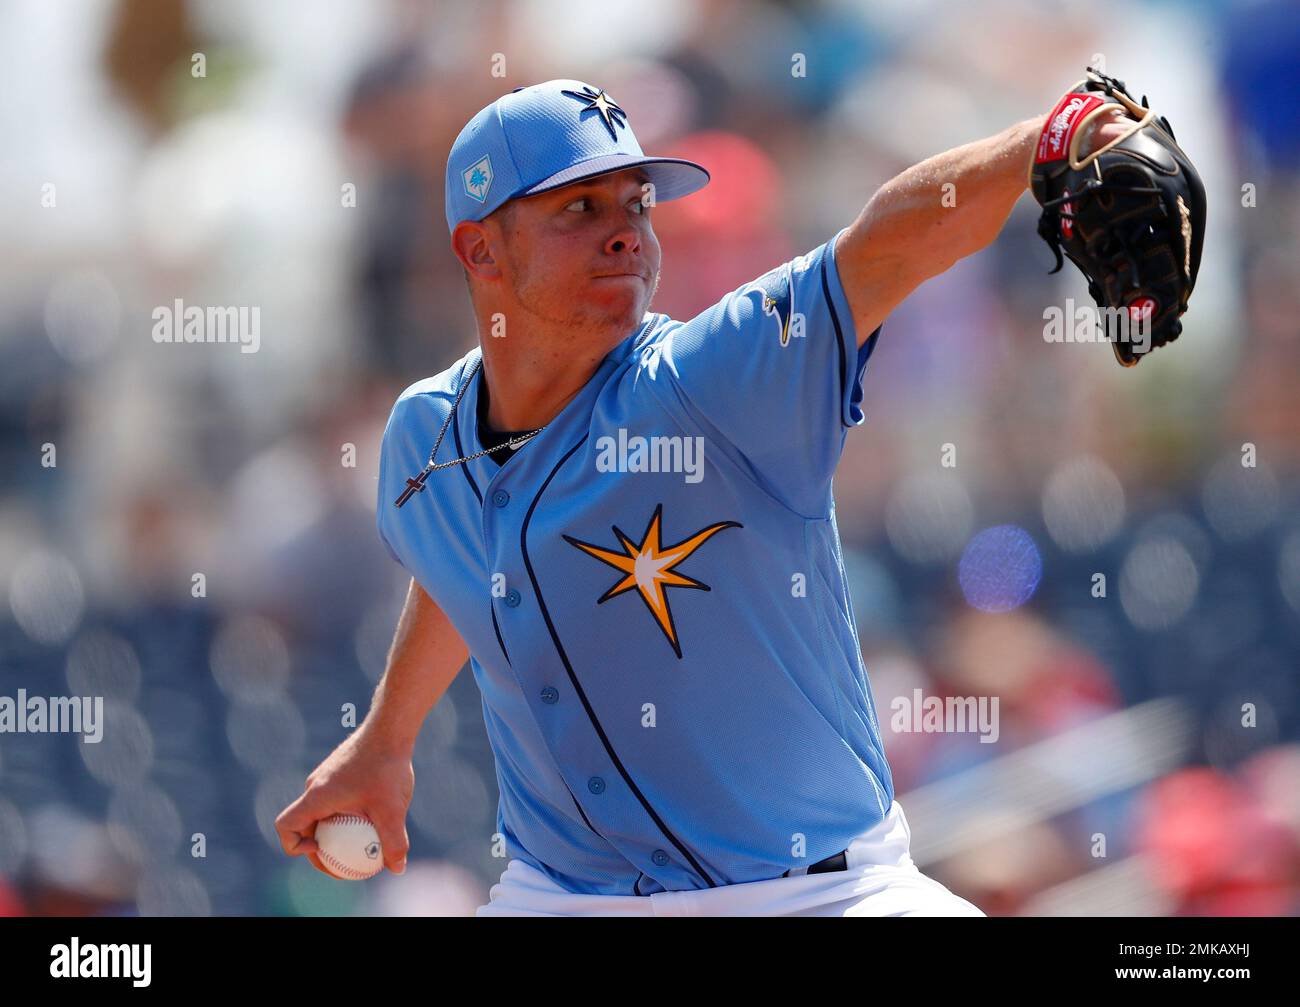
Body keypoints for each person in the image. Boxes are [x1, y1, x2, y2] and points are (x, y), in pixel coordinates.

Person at [277, 78, 1132, 916]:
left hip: (822, 893)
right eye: (581, 209)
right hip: (568, 898)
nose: (626, 234)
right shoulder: (426, 437)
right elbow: (463, 554)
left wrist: (1056, 138)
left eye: (636, 205)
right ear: (479, 250)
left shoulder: (712, 380)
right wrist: (386, 738)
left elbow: (887, 245)